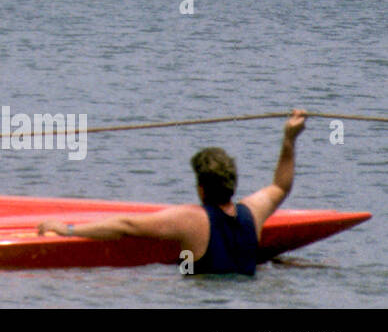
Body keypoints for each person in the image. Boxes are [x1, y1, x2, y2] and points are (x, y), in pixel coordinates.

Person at [37, 109, 308, 275]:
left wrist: (67, 230)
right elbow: (280, 186)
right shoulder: (253, 212)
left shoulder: (190, 221)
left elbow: (126, 226)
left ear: (201, 188)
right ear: (233, 183)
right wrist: (289, 139)